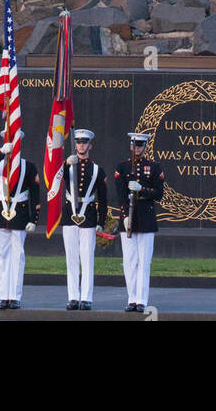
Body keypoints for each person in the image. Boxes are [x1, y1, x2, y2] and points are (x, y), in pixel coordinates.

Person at [0, 130, 40, 309]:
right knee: (3, 256)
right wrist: (1, 152)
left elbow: (35, 194)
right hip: (1, 214)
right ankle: (4, 296)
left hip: (20, 215)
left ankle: (15, 296)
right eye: (8, 141)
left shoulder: (28, 166)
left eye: (13, 142)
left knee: (18, 255)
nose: (11, 145)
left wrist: (33, 219)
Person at [115, 132, 163, 313]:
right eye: (135, 145)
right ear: (130, 146)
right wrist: (124, 216)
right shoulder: (122, 167)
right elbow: (119, 195)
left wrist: (141, 189)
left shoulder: (154, 167)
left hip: (146, 217)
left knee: (144, 261)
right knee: (129, 261)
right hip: (128, 217)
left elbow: (159, 193)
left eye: (140, 145)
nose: (137, 148)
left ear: (145, 147)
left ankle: (142, 299)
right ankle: (132, 298)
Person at [62, 129, 107, 311]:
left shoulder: (97, 170)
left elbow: (102, 199)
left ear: (90, 145)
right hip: (69, 215)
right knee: (71, 258)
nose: (81, 145)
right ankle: (73, 297)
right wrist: (65, 164)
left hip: (88, 215)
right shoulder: (68, 166)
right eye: (78, 142)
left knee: (87, 258)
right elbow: (56, 180)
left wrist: (101, 221)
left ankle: (86, 297)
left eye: (84, 142)